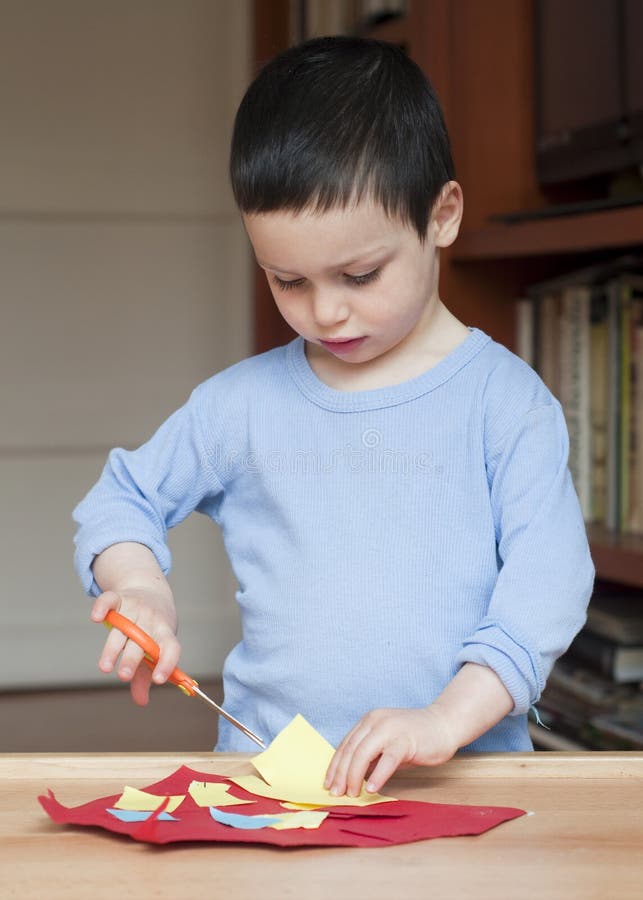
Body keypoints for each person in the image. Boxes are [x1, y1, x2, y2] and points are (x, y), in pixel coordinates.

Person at [73, 36, 594, 797]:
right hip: (270, 782)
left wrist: (443, 720)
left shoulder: (505, 406)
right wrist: (140, 585)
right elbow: (122, 498)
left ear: (441, 215)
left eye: (359, 274)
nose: (325, 311)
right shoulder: (240, 407)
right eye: (288, 280)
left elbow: (546, 588)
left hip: (463, 779)